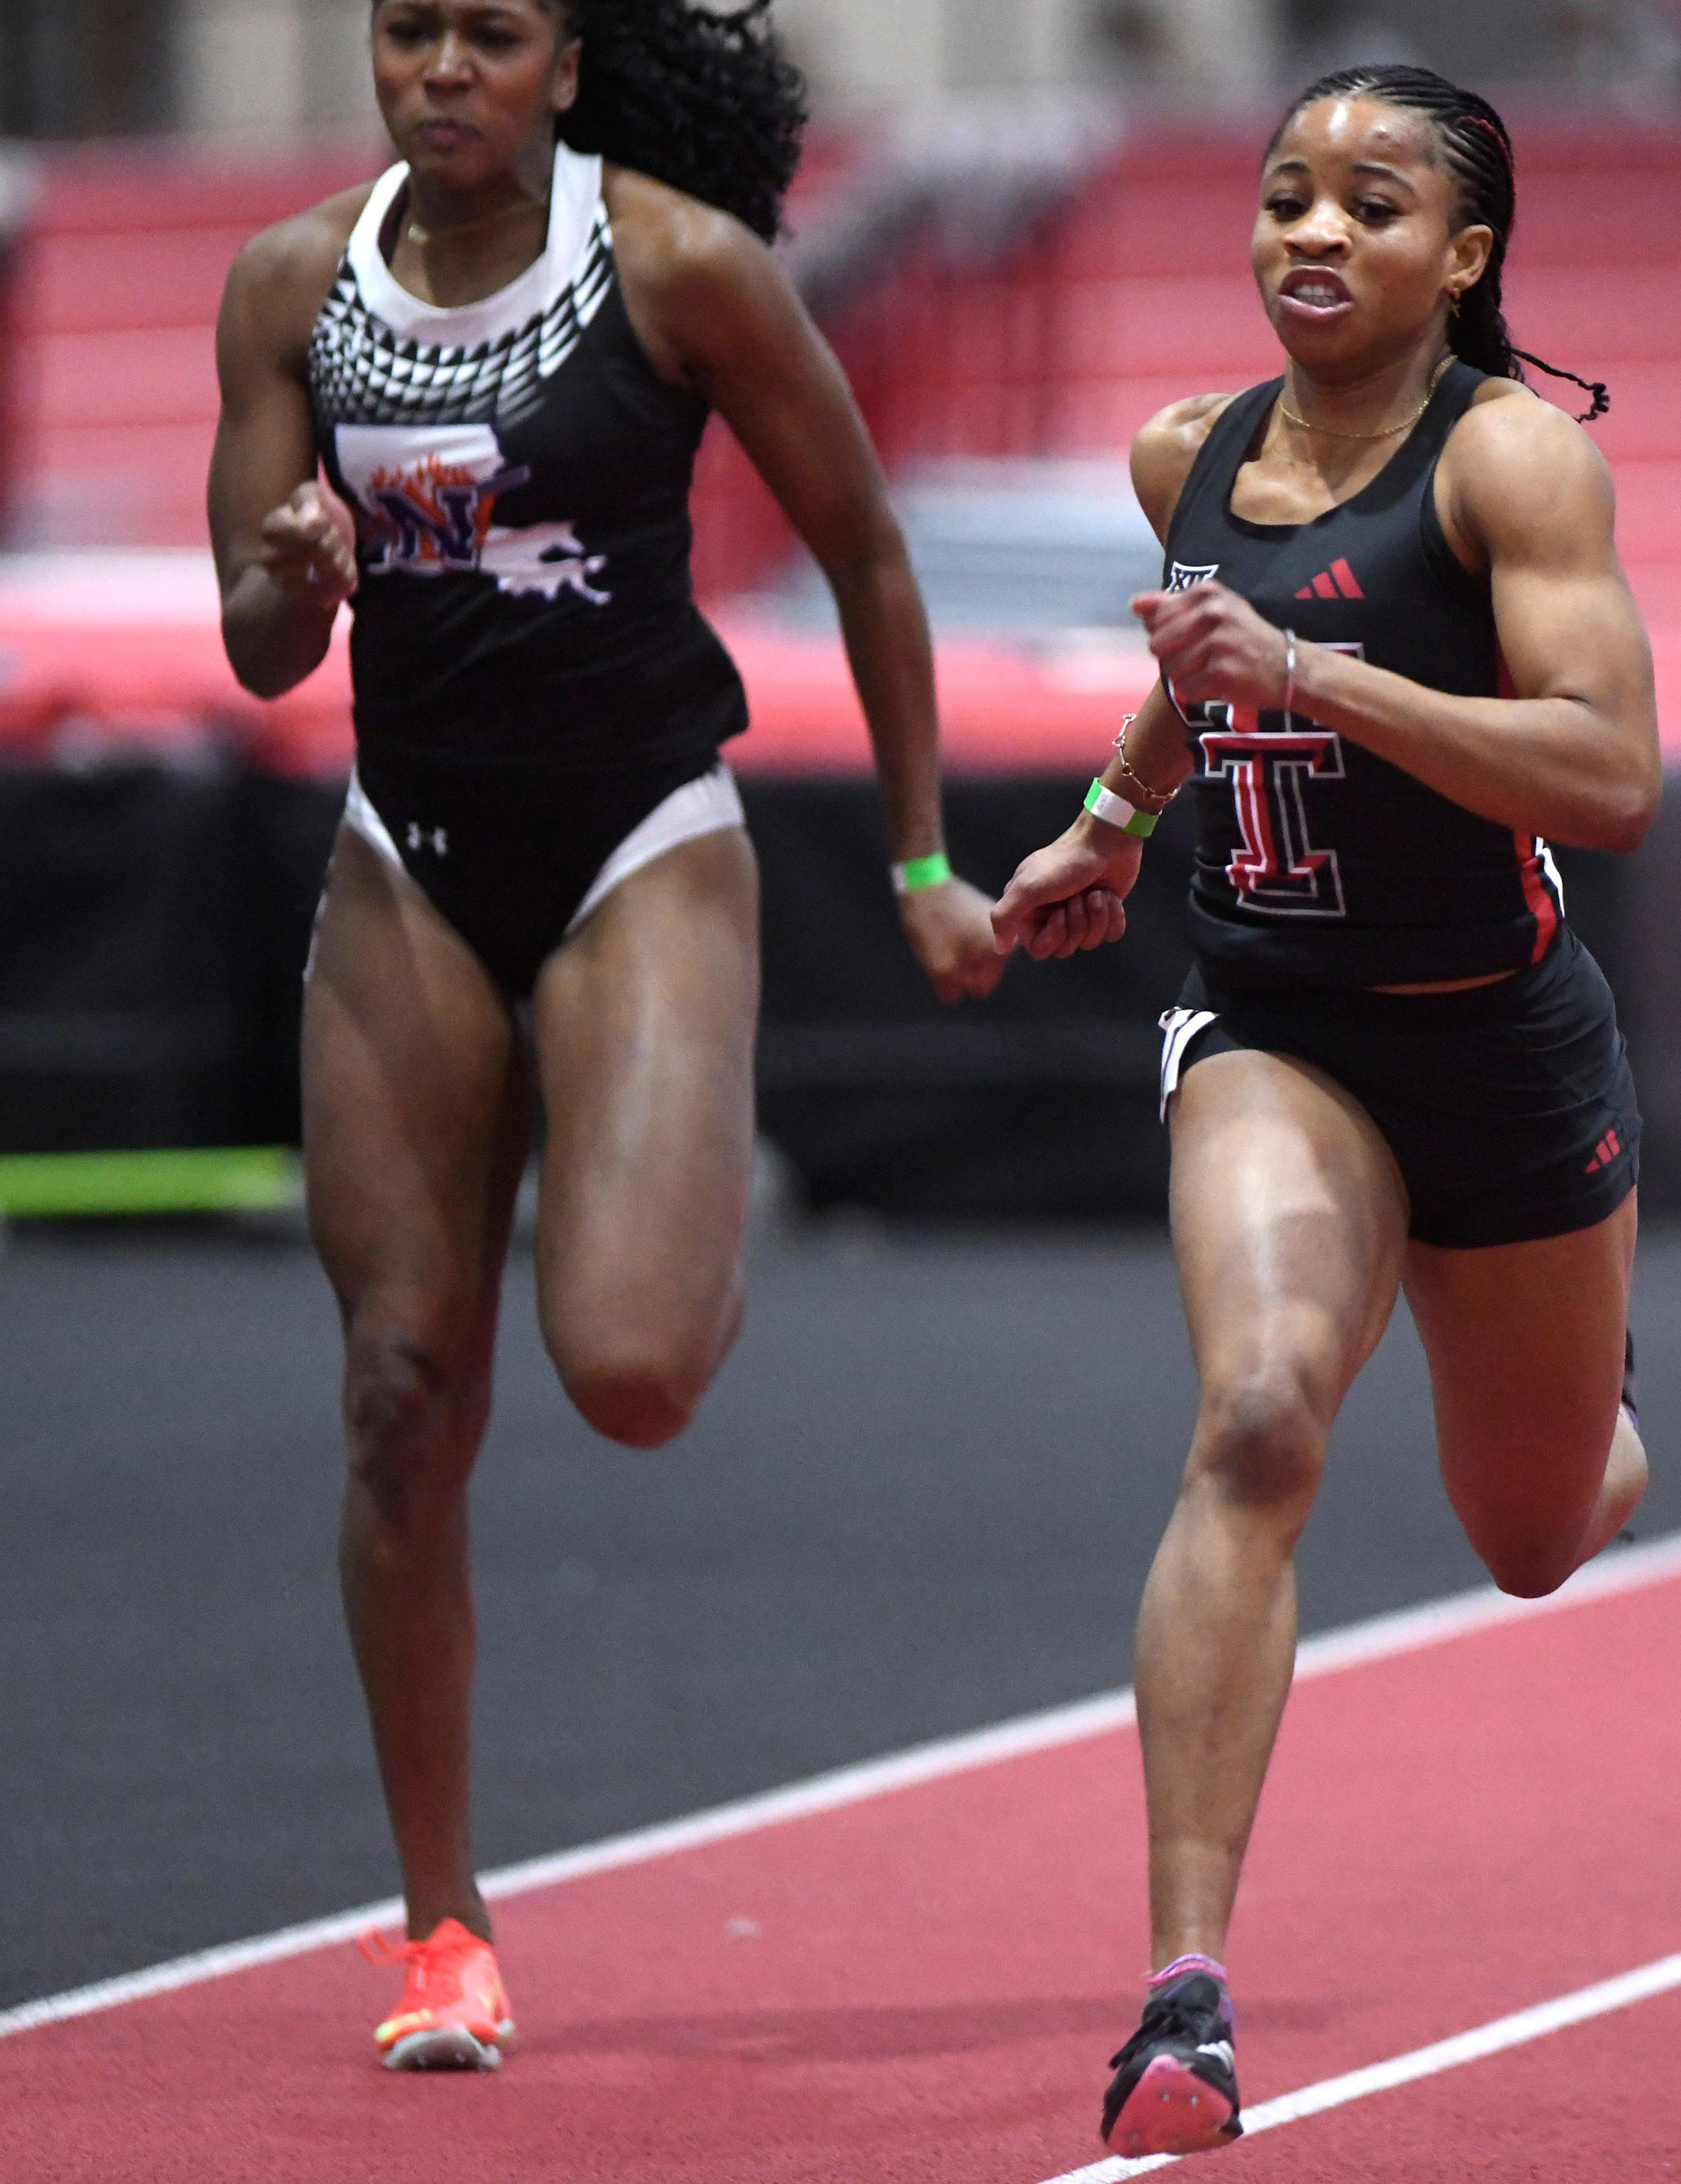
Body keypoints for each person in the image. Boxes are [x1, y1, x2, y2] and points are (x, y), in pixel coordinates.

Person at [207, 0, 1053, 2071]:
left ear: (566, 69)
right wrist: (299, 579)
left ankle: (658, 1173)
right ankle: (442, 1926)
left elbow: (864, 549)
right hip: (410, 857)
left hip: (638, 843)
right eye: (409, 30)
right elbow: (259, 653)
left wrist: (924, 858)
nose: (442, 69)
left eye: (491, 36)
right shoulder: (292, 290)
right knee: (401, 1393)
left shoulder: (678, 267)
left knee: (634, 1369)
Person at [989, 63, 1660, 2159]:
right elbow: (1201, 663)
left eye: (1373, 205)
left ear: (1463, 259)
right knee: (1261, 1414)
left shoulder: (1511, 463)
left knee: (1533, 1536)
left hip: (1503, 1042)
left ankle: (1601, 1399)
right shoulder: (1184, 453)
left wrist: (1313, 677)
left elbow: (1611, 772)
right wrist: (1115, 821)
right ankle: (1181, 1999)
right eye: (1288, 194)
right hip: (1278, 1028)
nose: (1314, 232)